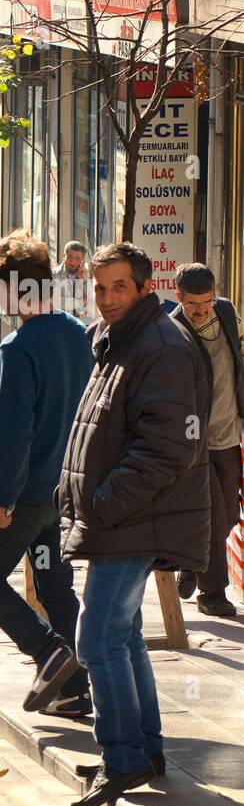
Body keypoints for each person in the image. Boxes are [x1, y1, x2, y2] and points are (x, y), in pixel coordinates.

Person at [58, 242, 210, 806]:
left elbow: (167, 447)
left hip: (136, 516)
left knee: (95, 640)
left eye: (119, 286)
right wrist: (73, 491)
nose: (107, 298)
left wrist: (101, 500)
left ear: (145, 286)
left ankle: (122, 759)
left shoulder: (161, 345)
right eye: (99, 288)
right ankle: (143, 751)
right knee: (118, 636)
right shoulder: (122, 339)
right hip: (121, 515)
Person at [0, 232, 94, 721]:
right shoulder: (78, 333)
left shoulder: (18, 348)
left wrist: (4, 497)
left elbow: (13, 430)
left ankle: (48, 652)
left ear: (18, 288)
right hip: (63, 493)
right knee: (55, 584)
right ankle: (77, 686)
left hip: (27, 493)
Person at [169, 263, 244, 617]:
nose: (201, 310)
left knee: (229, 514)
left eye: (207, 302)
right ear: (178, 296)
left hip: (229, 434)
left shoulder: (226, 312)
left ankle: (191, 558)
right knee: (212, 513)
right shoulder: (171, 330)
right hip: (193, 440)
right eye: (193, 304)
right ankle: (212, 594)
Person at [53, 240, 92, 323]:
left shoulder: (89, 273)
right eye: (70, 257)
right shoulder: (54, 274)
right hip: (61, 323)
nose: (73, 262)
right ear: (64, 256)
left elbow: (92, 298)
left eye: (77, 258)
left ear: (83, 259)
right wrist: (82, 302)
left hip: (84, 324)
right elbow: (57, 302)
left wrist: (84, 279)